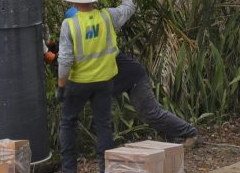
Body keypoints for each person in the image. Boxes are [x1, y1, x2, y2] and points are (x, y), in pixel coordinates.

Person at [53, 8, 198, 147]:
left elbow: (69, 63)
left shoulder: (94, 46)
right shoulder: (79, 46)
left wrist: (62, 88)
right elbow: (65, 60)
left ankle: (190, 133)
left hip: (133, 78)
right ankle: (170, 137)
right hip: (116, 83)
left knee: (150, 113)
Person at [55, 0, 134, 173]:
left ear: (73, 0)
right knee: (103, 125)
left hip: (78, 83)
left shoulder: (69, 24)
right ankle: (105, 172)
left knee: (68, 122)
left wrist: (61, 86)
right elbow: (129, 7)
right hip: (104, 81)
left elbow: (65, 60)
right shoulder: (107, 17)